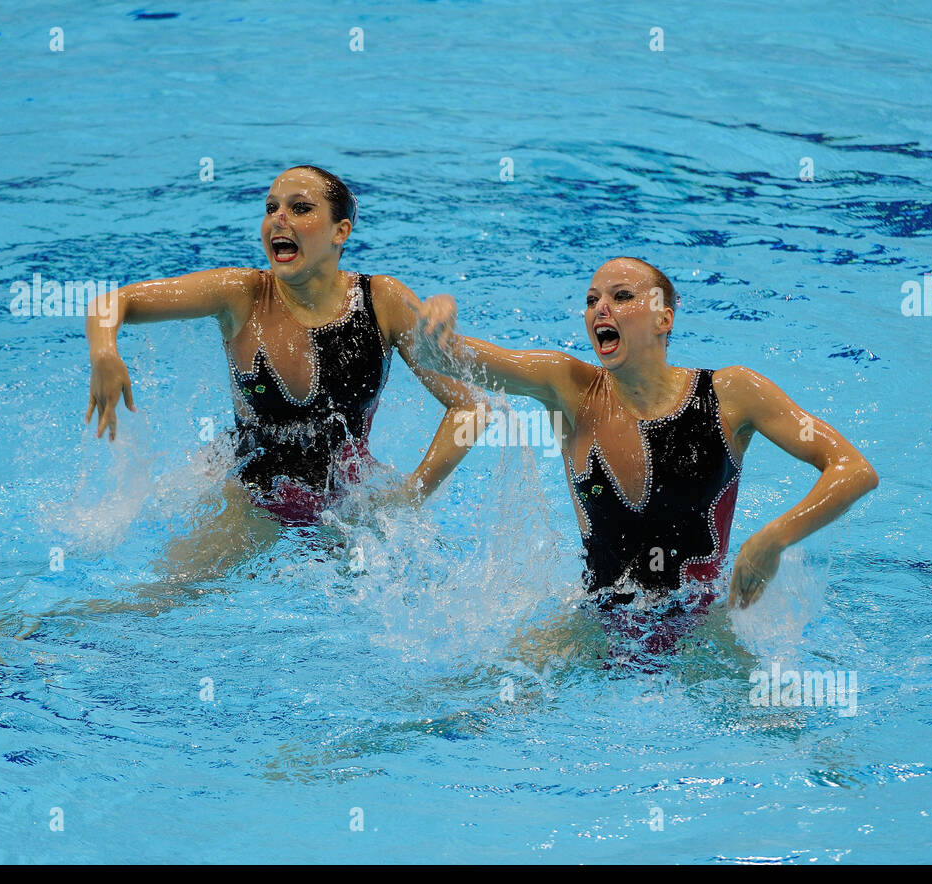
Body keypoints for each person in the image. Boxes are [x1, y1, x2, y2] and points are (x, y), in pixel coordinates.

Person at [406, 256, 879, 633]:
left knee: (785, 729)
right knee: (474, 708)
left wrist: (770, 541)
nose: (600, 309)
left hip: (701, 634)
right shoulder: (567, 387)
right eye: (592, 300)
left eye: (622, 296)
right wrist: (437, 315)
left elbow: (853, 469)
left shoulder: (732, 394)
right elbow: (442, 357)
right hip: (593, 630)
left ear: (663, 317)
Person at [84, 165, 482, 529]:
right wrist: (104, 352)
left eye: (301, 208)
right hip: (248, 498)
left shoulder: (381, 301)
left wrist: (412, 494)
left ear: (339, 231)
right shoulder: (242, 294)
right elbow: (113, 302)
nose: (279, 218)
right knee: (159, 600)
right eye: (271, 207)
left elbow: (471, 407)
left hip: (345, 502)